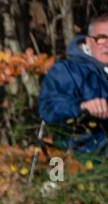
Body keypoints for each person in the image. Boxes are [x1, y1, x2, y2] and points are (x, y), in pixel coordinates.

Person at [38, 11, 108, 152]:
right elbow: (48, 107)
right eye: (101, 38)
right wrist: (82, 106)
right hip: (73, 158)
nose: (107, 44)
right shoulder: (66, 70)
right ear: (88, 41)